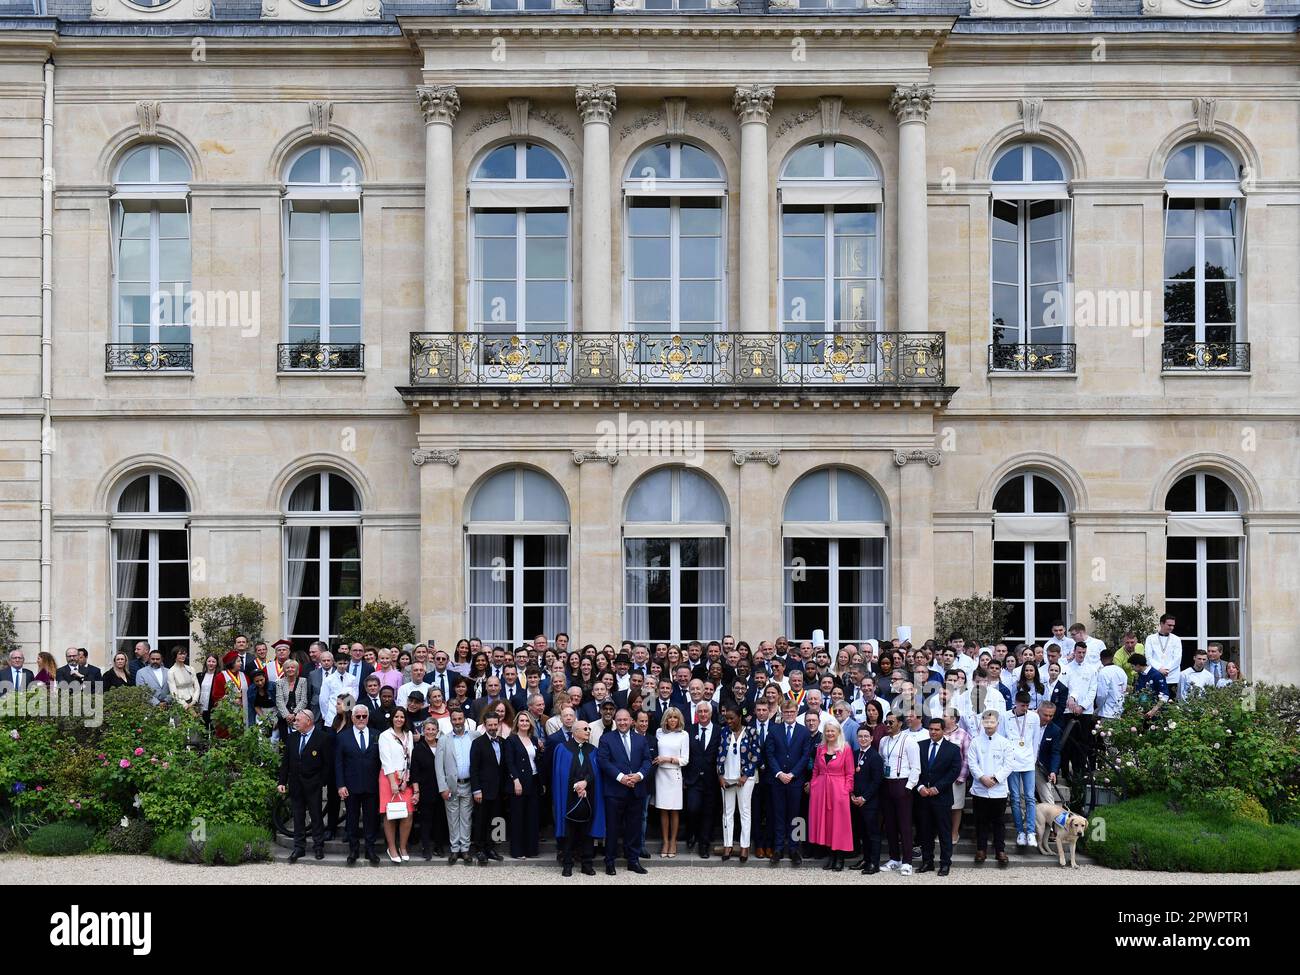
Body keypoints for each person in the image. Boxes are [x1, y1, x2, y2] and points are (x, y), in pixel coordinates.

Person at [595, 707, 651, 875]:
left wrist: (639, 776)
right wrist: (621, 777)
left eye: (625, 719)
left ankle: (633, 861)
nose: (622, 722)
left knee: (634, 828)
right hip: (614, 791)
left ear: (631, 721)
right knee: (613, 828)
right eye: (619, 720)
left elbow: (648, 760)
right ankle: (610, 862)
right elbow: (603, 761)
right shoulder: (606, 739)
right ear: (615, 721)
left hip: (636, 790)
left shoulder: (641, 739)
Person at [277, 708, 331, 862]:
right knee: (298, 816)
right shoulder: (292, 738)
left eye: (298, 720)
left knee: (316, 816)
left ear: (308, 721)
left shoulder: (323, 738)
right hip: (295, 784)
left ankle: (318, 846)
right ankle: (299, 847)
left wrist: (321, 782)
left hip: (313, 784)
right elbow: (285, 762)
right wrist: (282, 781)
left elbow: (327, 764)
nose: (295, 723)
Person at [764, 699, 813, 867]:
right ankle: (778, 849)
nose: (789, 715)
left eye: (792, 712)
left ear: (796, 711)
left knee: (796, 815)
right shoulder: (774, 730)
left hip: (795, 781)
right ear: (782, 713)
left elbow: (805, 756)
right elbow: (769, 754)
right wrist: (779, 773)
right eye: (786, 712)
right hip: (777, 780)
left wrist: (792, 774)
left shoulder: (804, 732)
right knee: (778, 814)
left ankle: (794, 849)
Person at [552, 719, 602, 877]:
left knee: (587, 832)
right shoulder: (562, 749)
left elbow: (596, 772)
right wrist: (576, 785)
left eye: (589, 728)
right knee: (569, 833)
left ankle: (587, 864)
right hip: (569, 798)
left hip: (588, 797)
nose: (588, 731)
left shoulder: (593, 750)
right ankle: (567, 864)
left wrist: (585, 783)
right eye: (585, 728)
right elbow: (560, 773)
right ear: (575, 732)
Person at [335, 702, 382, 866]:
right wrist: (340, 785)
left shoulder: (378, 735)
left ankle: (370, 850)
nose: (361, 719)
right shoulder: (342, 736)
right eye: (358, 716)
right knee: (352, 819)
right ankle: (353, 850)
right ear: (352, 718)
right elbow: (338, 763)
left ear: (368, 717)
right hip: (351, 786)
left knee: (371, 819)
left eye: (364, 716)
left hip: (372, 785)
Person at [808, 715, 855, 872]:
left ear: (838, 732)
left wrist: (846, 791)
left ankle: (839, 858)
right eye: (827, 731)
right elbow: (815, 769)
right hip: (821, 790)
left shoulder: (845, 748)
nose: (829, 734)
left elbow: (850, 773)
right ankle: (831, 856)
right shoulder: (820, 748)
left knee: (839, 825)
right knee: (826, 824)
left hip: (838, 791)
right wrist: (814, 785)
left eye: (832, 731)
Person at [915, 717, 960, 876]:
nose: (933, 732)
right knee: (925, 832)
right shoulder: (920, 746)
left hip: (941, 797)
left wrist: (937, 788)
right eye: (931, 729)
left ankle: (945, 863)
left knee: (944, 832)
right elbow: (914, 768)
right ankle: (927, 862)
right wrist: (920, 786)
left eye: (936, 729)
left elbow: (954, 772)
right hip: (923, 797)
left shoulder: (953, 749)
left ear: (943, 730)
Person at [716, 703, 760, 863]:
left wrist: (746, 774)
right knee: (727, 812)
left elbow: (756, 755)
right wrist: (720, 775)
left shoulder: (751, 732)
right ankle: (727, 845)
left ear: (739, 717)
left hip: (745, 779)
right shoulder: (724, 732)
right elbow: (719, 753)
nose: (728, 721)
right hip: (727, 777)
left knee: (744, 811)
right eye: (726, 718)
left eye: (731, 718)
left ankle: (744, 846)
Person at [968, 709, 1012, 866]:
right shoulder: (975, 742)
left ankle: (1000, 850)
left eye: (992, 721)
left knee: (999, 822)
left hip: (998, 790)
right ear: (982, 723)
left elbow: (1008, 765)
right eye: (986, 721)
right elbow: (972, 763)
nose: (989, 725)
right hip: (980, 788)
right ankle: (981, 849)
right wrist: (982, 777)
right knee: (980, 821)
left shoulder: (1005, 743)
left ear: (998, 723)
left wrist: (995, 778)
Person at [878, 711, 920, 875]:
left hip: (902, 783)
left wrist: (909, 787)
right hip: (887, 783)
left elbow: (916, 767)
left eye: (891, 723)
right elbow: (882, 760)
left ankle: (907, 861)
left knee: (904, 824)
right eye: (886, 723)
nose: (888, 726)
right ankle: (894, 858)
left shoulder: (909, 741)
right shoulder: (883, 741)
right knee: (890, 823)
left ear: (900, 724)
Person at [436, 708, 476, 866]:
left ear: (464, 719)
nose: (458, 722)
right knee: (452, 819)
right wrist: (442, 787)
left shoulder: (474, 737)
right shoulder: (444, 740)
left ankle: (465, 849)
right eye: (455, 719)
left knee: (466, 818)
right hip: (451, 786)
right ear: (451, 721)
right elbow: (439, 766)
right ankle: (454, 849)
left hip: (469, 784)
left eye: (460, 719)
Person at [1002, 690, 1041, 849]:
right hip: (1012, 762)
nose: (1025, 708)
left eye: (1027, 705)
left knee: (1030, 797)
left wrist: (1033, 759)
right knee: (1016, 798)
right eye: (1022, 705)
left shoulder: (1034, 717)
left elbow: (1036, 739)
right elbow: (1003, 739)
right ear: (1016, 703)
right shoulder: (1005, 716)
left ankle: (1031, 831)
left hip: (1028, 761)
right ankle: (1020, 831)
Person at [469, 711, 508, 865]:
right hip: (483, 791)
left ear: (498, 724)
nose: (492, 727)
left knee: (495, 820)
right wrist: (476, 790)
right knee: (480, 820)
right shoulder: (478, 743)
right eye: (489, 725)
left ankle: (491, 848)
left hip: (499, 790)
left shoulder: (503, 742)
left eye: (495, 724)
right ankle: (479, 849)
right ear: (485, 725)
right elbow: (474, 769)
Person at [684, 700, 721, 858]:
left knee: (708, 813)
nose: (703, 714)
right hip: (693, 779)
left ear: (711, 713)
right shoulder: (689, 730)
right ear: (696, 714)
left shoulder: (720, 731)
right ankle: (691, 832)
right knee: (692, 808)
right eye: (700, 712)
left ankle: (703, 844)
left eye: (706, 711)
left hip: (712, 780)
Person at [504, 710, 543, 859]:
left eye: (527, 721)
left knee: (532, 817)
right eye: (521, 721)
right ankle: (518, 851)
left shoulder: (534, 740)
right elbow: (509, 762)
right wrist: (515, 780)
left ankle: (531, 850)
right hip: (519, 782)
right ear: (517, 723)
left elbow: (536, 760)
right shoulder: (511, 740)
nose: (524, 723)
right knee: (518, 817)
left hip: (533, 781)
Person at [379, 706, 415, 864]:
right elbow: (385, 760)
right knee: (390, 814)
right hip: (389, 778)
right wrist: (393, 782)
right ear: (392, 718)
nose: (399, 719)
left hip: (405, 777)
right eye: (396, 716)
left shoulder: (409, 735)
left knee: (408, 813)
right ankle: (391, 847)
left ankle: (403, 846)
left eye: (402, 717)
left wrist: (406, 779)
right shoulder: (385, 736)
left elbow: (410, 758)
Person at [652, 706, 689, 857]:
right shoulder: (659, 732)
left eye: (675, 717)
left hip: (674, 774)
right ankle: (665, 841)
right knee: (663, 809)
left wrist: (667, 759)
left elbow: (685, 759)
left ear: (679, 719)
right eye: (669, 717)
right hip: (660, 774)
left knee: (674, 810)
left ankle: (673, 841)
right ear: (665, 719)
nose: (672, 720)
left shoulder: (684, 734)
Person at [410, 718, 448, 860]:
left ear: (437, 731)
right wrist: (417, 791)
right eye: (428, 729)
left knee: (440, 820)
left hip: (442, 789)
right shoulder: (418, 749)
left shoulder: (442, 745)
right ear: (423, 730)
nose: (430, 732)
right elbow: (414, 773)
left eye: (433, 729)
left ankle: (439, 846)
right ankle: (426, 848)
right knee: (426, 821)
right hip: (426, 790)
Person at [851, 725, 884, 874]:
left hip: (869, 802)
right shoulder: (854, 754)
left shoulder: (875, 756)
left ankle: (874, 863)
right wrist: (852, 795)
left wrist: (864, 797)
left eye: (866, 736)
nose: (863, 739)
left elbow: (877, 781)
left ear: (871, 738)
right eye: (860, 736)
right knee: (862, 833)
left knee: (872, 834)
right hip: (855, 800)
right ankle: (865, 859)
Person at [942, 710, 971, 844]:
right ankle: (943, 833)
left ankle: (954, 833)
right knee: (942, 807)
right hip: (940, 777)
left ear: (953, 719)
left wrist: (962, 776)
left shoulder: (964, 735)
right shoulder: (939, 733)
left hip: (956, 778)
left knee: (956, 807)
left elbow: (967, 757)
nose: (942, 717)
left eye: (945, 716)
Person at [1034, 701, 1066, 804]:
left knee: (1047, 798)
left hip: (1041, 766)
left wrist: (1053, 771)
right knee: (1022, 795)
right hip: (1024, 762)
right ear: (1038, 711)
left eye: (1051, 716)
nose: (1048, 718)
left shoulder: (1055, 730)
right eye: (1045, 715)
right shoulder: (1027, 723)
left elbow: (1055, 752)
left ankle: (1053, 818)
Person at [1143, 614, 1182, 689]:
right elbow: (1148, 657)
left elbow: (1177, 658)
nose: (1172, 627)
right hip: (1155, 675)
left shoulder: (1176, 639)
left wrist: (1166, 670)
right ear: (1161, 624)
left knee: (1171, 700)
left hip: (1171, 676)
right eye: (1169, 625)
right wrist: (1159, 669)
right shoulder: (1150, 638)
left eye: (1173, 625)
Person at [167, 646, 199, 711]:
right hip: (181, 703)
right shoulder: (171, 672)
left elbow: (197, 686)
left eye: (184, 654)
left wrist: (194, 700)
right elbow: (173, 693)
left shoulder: (191, 669)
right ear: (175, 655)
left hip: (193, 701)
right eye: (180, 654)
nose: (183, 656)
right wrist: (185, 705)